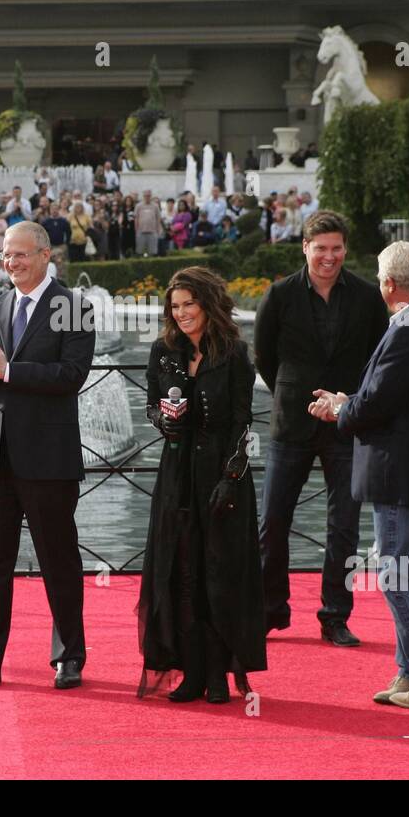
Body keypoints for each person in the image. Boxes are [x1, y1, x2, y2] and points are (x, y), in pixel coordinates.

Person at [316, 241, 409, 709]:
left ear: (389, 284)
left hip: (400, 470)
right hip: (403, 467)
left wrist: (342, 409)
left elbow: (378, 402)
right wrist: (348, 404)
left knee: (400, 576)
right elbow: (384, 395)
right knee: (398, 572)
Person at [0, 221, 95, 691]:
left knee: (59, 561)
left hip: (48, 460)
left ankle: (69, 656)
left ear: (46, 255)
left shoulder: (75, 307)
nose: (11, 263)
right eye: (6, 256)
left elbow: (71, 375)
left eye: (21, 255)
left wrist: (10, 371)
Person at [254, 211, 387, 642]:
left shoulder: (368, 298)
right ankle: (271, 609)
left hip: (346, 425)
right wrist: (295, 396)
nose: (328, 257)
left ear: (345, 249)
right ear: (305, 249)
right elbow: (264, 358)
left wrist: (347, 405)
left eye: (336, 248)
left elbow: (376, 361)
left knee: (344, 525)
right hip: (291, 422)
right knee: (273, 520)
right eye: (320, 248)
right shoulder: (278, 295)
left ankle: (335, 616)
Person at [138, 266, 265, 703]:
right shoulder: (163, 350)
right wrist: (166, 422)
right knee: (182, 572)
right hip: (176, 475)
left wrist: (231, 478)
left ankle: (217, 672)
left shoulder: (233, 352)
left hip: (222, 475)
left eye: (189, 304)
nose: (182, 313)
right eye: (175, 307)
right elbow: (152, 405)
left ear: (207, 304)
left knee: (220, 573)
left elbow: (243, 421)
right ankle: (190, 670)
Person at [134, 190, 162, 257]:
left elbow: (158, 219)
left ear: (150, 196)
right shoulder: (138, 206)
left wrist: (158, 230)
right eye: (145, 196)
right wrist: (136, 230)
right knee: (139, 251)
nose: (147, 197)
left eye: (148, 196)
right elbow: (136, 218)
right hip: (141, 231)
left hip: (152, 232)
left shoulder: (155, 206)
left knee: (152, 252)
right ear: (143, 196)